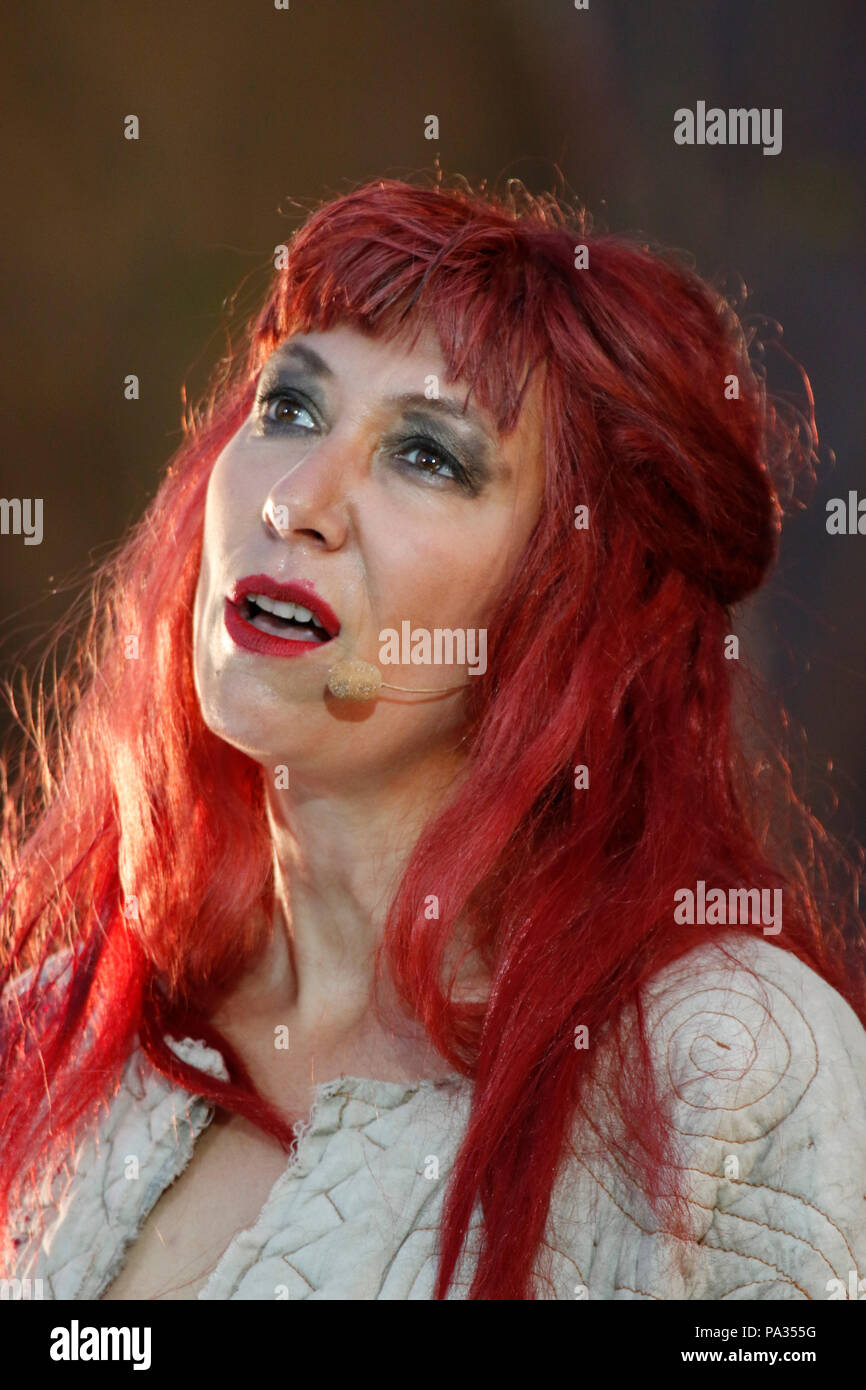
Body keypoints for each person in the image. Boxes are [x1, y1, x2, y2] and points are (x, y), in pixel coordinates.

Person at [2, 174, 865, 1302]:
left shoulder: (729, 1067)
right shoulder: (56, 1031)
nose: (296, 498)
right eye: (289, 408)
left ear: (569, 611)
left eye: (426, 455)